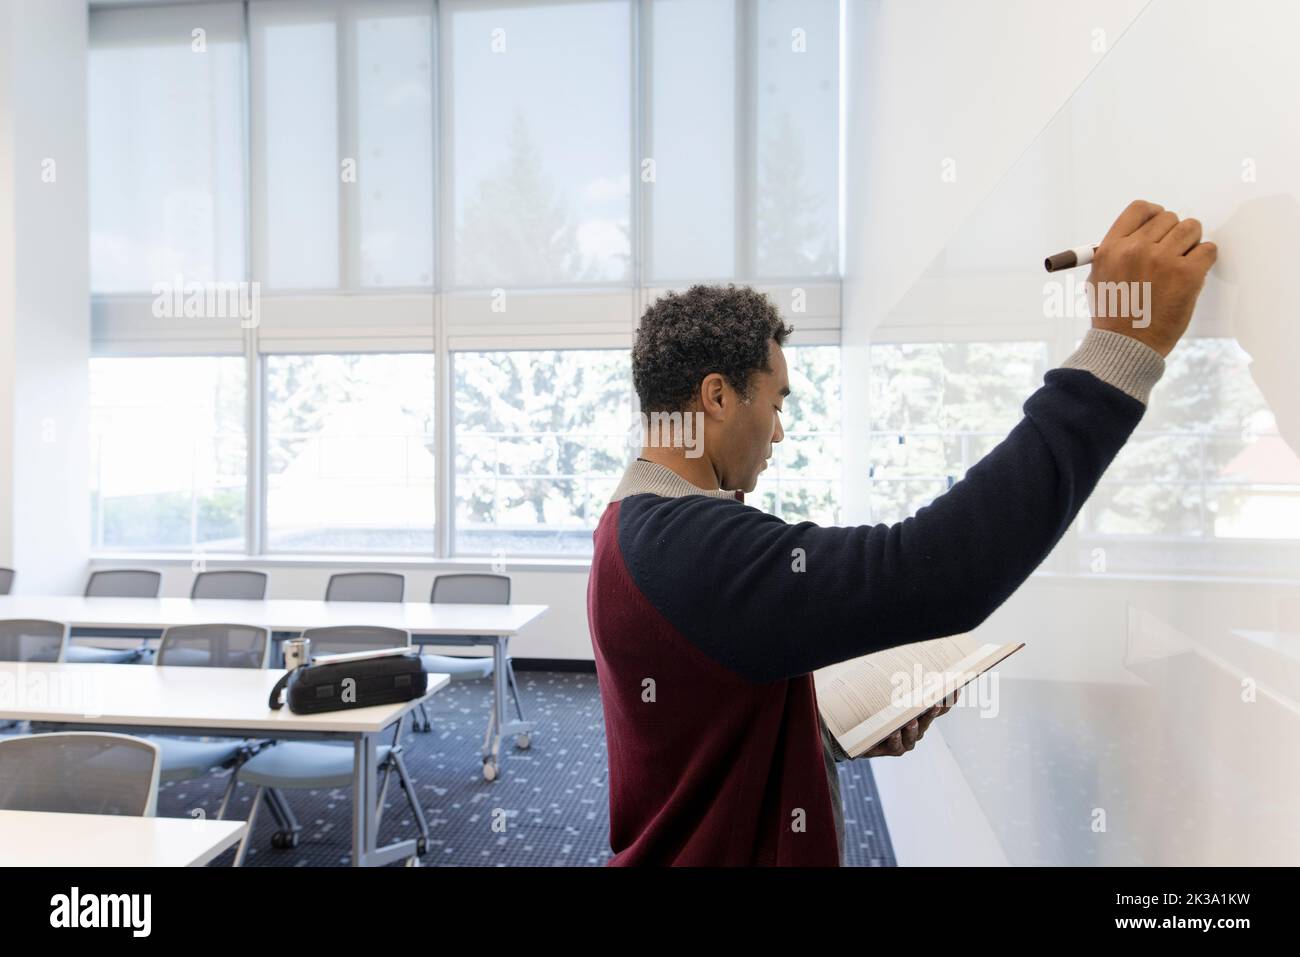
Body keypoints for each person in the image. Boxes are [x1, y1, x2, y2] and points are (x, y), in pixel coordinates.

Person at [587, 200, 1216, 865]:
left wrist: (818, 733)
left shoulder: (632, 524)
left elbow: (695, 725)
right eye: (776, 402)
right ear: (716, 397)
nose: (778, 430)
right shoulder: (686, 544)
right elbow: (938, 568)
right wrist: (1122, 351)